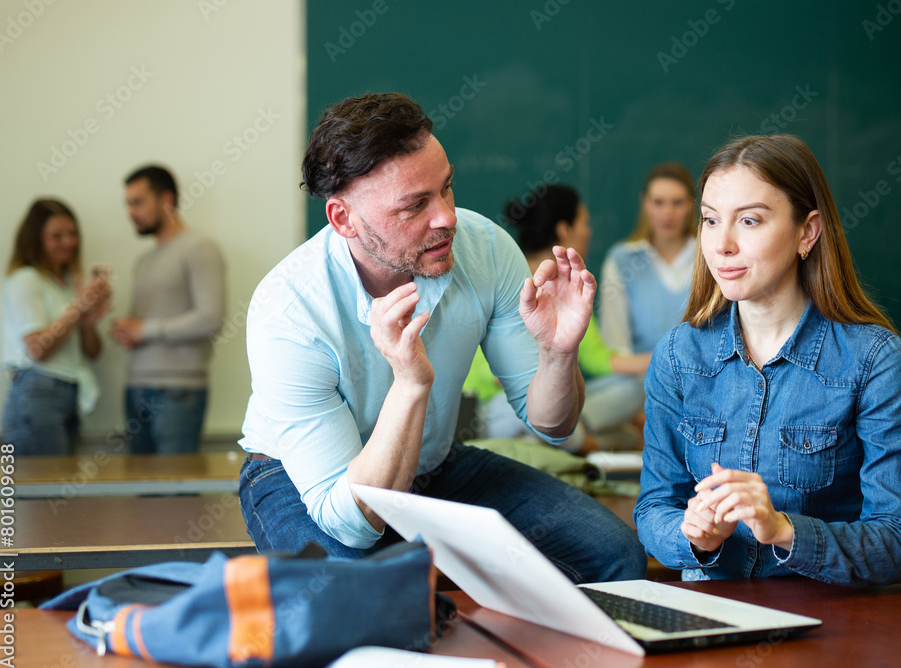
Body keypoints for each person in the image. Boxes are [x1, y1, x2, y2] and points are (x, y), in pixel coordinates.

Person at [238, 93, 646, 584]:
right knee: (374, 599)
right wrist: (409, 383)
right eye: (414, 206)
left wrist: (558, 355)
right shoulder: (289, 310)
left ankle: (530, 659)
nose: (447, 217)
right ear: (343, 219)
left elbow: (553, 427)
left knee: (615, 555)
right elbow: (353, 522)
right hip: (307, 481)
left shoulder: (487, 247)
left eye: (446, 188)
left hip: (433, 462)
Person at [633, 134, 901, 587]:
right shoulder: (678, 354)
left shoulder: (874, 360)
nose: (722, 245)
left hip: (823, 627)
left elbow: (900, 541)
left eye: (749, 221)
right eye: (710, 220)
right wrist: (691, 536)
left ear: (807, 232)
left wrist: (784, 531)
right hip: (711, 616)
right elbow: (655, 508)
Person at [464, 184, 649, 453]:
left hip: (553, 407)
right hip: (496, 406)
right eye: (584, 223)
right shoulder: (504, 280)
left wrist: (661, 359)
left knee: (633, 387)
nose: (589, 231)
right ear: (564, 230)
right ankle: (586, 443)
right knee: (527, 404)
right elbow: (495, 375)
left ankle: (560, 440)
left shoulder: (570, 287)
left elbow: (597, 358)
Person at [111, 166, 225, 454]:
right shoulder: (144, 260)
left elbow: (211, 317)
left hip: (178, 391)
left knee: (174, 492)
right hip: (136, 386)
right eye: (128, 204)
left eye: (137, 202)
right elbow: (144, 326)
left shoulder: (199, 247)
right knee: (142, 491)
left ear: (166, 200)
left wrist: (144, 330)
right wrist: (124, 329)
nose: (130, 212)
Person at [1, 199, 112, 455]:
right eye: (56, 236)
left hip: (66, 393)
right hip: (38, 393)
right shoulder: (25, 280)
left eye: (72, 234)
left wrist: (88, 323)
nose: (68, 242)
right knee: (44, 490)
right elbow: (38, 349)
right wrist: (78, 307)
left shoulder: (65, 284)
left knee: (59, 490)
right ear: (36, 239)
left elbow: (93, 353)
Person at [599, 162, 698, 354]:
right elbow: (618, 348)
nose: (668, 213)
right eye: (658, 202)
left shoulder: (711, 256)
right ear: (645, 203)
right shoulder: (621, 260)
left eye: (677, 203)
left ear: (690, 205)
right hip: (640, 381)